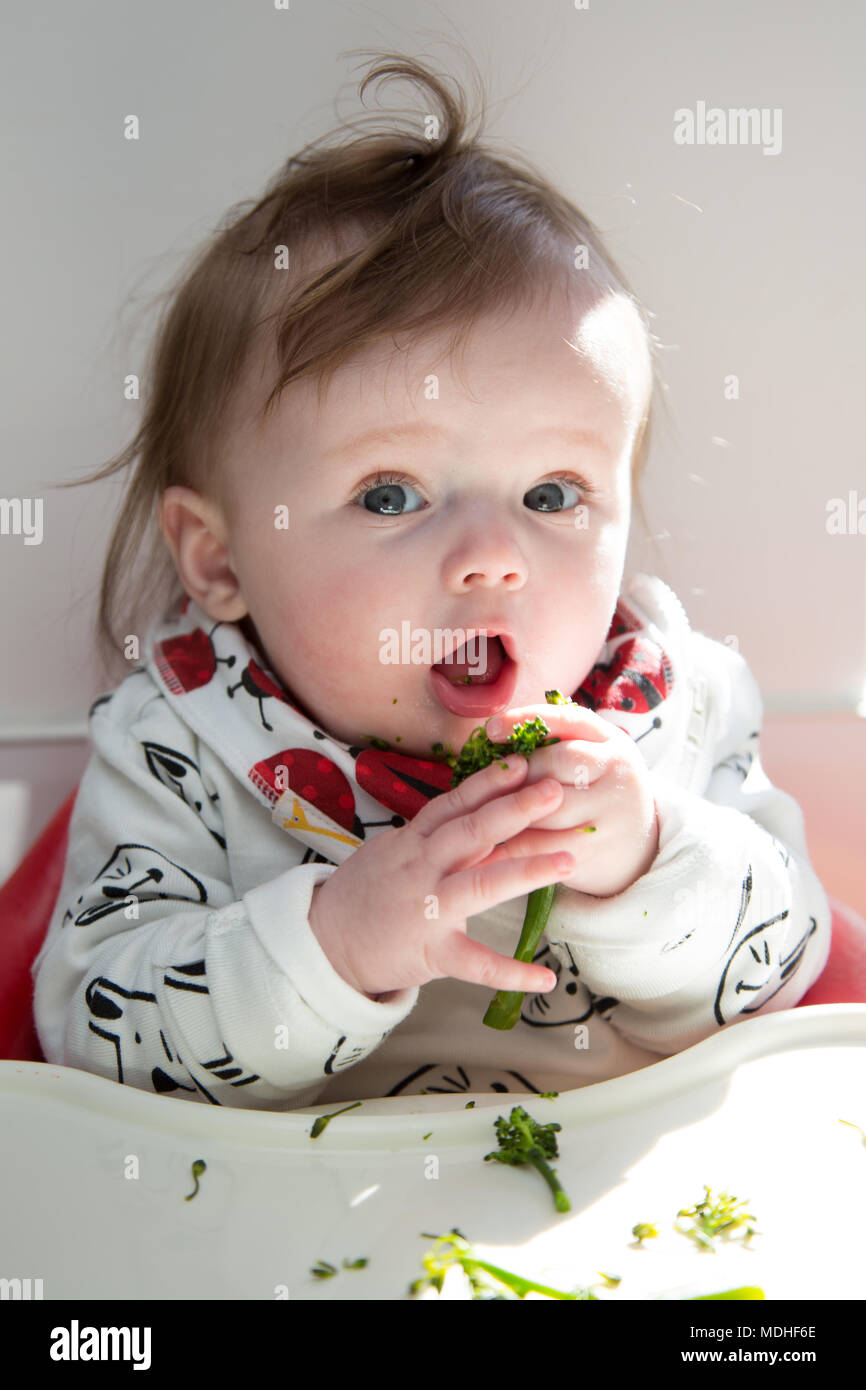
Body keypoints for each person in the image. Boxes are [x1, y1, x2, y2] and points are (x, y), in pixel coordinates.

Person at [32, 54, 830, 1109]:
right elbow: (93, 1036)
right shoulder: (181, 745)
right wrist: (331, 946)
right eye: (393, 495)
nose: (494, 555)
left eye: (550, 494)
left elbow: (788, 970)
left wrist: (644, 859)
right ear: (220, 557)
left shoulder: (669, 711)